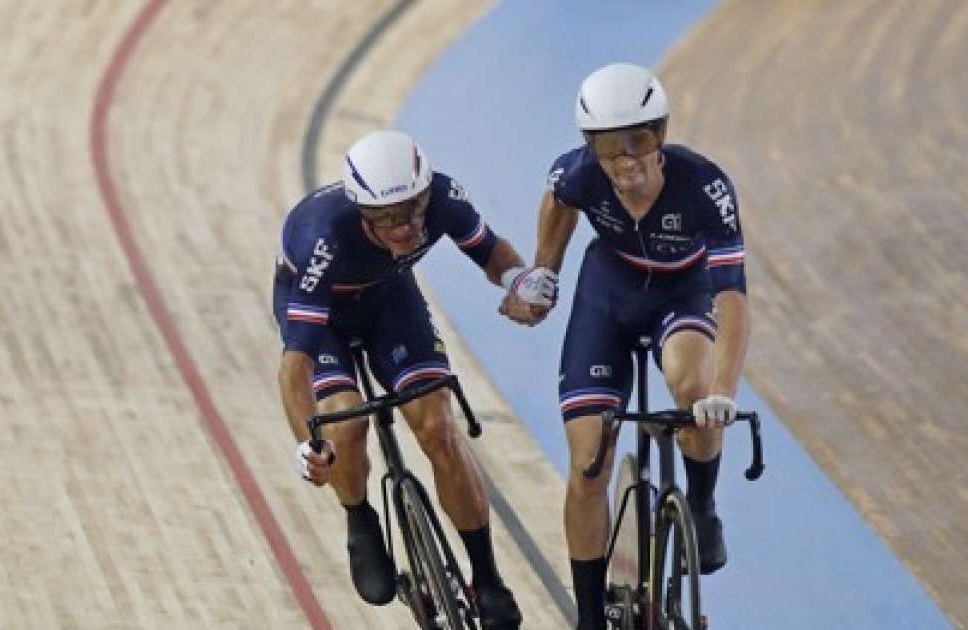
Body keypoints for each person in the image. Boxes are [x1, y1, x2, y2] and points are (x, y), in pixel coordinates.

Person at [500, 62, 750, 629]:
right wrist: (545, 272)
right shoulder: (579, 173)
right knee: (589, 464)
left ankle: (702, 503)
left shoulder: (705, 186)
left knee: (692, 387)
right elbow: (557, 200)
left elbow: (733, 297)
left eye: (636, 141)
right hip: (607, 294)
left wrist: (724, 391)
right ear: (591, 146)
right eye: (608, 147)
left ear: (660, 135)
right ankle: (589, 615)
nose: (624, 159)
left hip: (682, 294)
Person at [274, 129, 540, 628]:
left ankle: (486, 577)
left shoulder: (444, 198)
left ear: (425, 194)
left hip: (388, 299)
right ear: (362, 213)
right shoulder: (322, 240)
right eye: (387, 219)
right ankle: (359, 517)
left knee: (438, 426)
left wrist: (518, 280)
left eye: (413, 211)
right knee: (343, 426)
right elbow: (295, 366)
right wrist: (307, 443)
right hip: (324, 320)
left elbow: (491, 252)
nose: (404, 228)